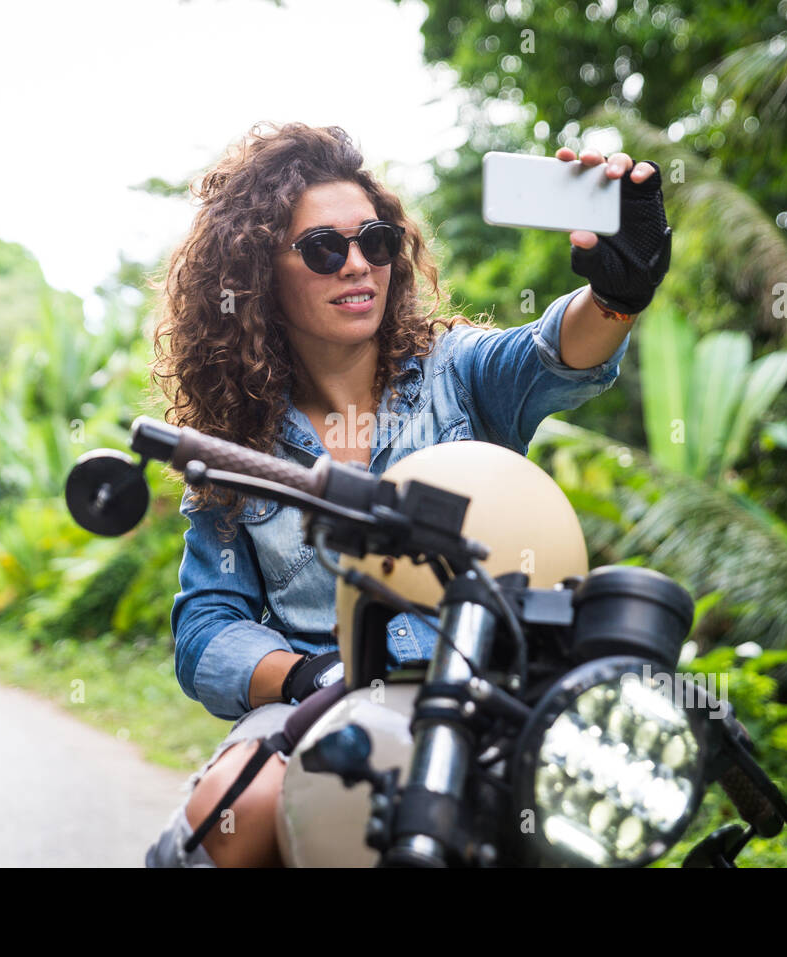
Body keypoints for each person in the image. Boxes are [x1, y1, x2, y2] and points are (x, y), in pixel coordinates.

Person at [144, 121, 670, 867]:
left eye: (376, 241)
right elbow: (207, 626)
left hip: (486, 696)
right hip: (316, 708)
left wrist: (619, 292)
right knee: (236, 809)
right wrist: (308, 676)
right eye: (324, 249)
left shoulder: (458, 372)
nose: (357, 264)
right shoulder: (239, 447)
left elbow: (555, 353)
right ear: (259, 274)